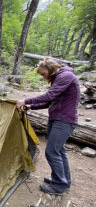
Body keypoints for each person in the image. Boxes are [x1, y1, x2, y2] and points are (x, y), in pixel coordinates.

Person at [17, 57, 80, 195]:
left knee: (52, 152)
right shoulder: (59, 78)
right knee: (59, 151)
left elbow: (49, 96)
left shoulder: (66, 76)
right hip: (57, 119)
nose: (44, 78)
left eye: (43, 74)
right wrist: (30, 106)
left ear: (50, 69)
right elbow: (49, 102)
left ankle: (59, 186)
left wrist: (25, 100)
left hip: (64, 120)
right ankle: (63, 181)